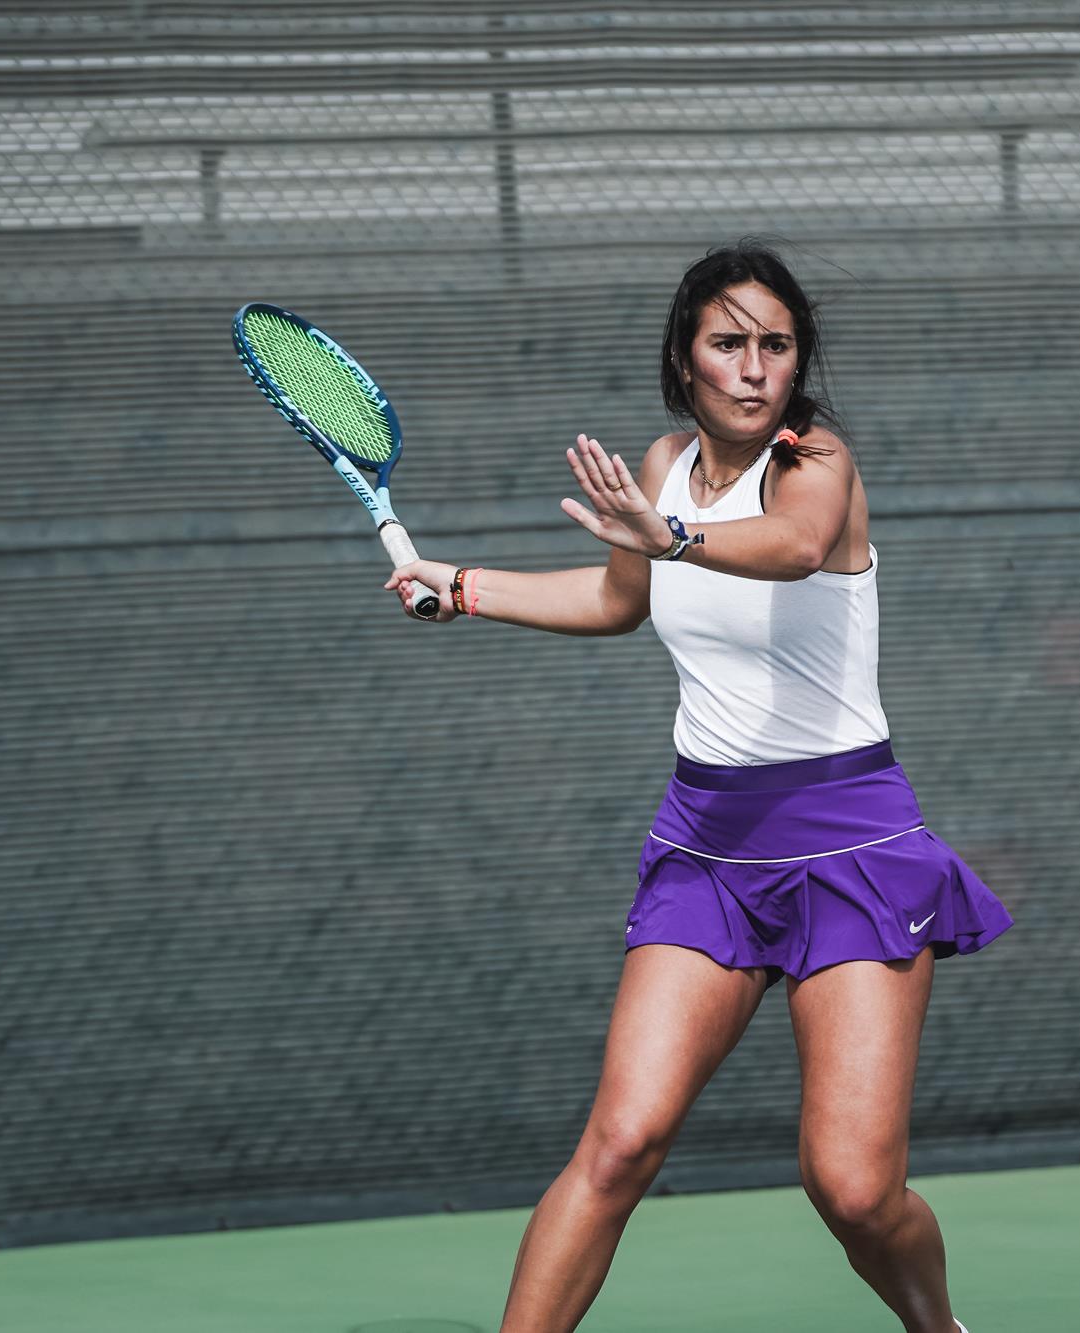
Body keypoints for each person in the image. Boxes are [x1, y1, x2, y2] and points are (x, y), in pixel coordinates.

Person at [386, 239, 1011, 1333]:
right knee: (621, 1141)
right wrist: (468, 585)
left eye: (776, 344)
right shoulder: (664, 460)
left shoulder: (816, 466)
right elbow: (618, 597)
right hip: (705, 851)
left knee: (852, 1188)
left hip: (849, 850)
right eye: (729, 343)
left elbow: (789, 547)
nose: (755, 365)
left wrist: (669, 533)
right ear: (686, 361)